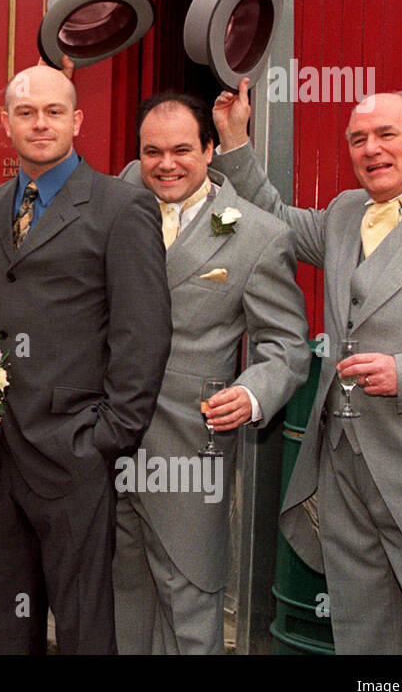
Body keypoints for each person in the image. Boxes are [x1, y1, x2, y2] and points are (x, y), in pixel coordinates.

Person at [212, 78, 402, 653]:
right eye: (358, 139)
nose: (371, 149)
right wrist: (235, 139)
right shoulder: (345, 214)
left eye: (386, 134)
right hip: (342, 467)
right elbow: (273, 216)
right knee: (363, 629)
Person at [0, 64, 172, 654]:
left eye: (54, 111)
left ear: (77, 120)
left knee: (85, 629)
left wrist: (108, 436)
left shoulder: (122, 207)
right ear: (5, 121)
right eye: (26, 112)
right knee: (2, 628)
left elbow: (144, 333)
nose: (40, 123)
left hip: (75, 453)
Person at [113, 90, 309, 654]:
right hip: (106, 442)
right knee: (120, 597)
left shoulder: (256, 234)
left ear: (210, 149)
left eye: (181, 150)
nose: (166, 164)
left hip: (190, 447)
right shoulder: (110, 208)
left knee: (189, 602)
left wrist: (252, 394)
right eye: (152, 152)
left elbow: (286, 345)